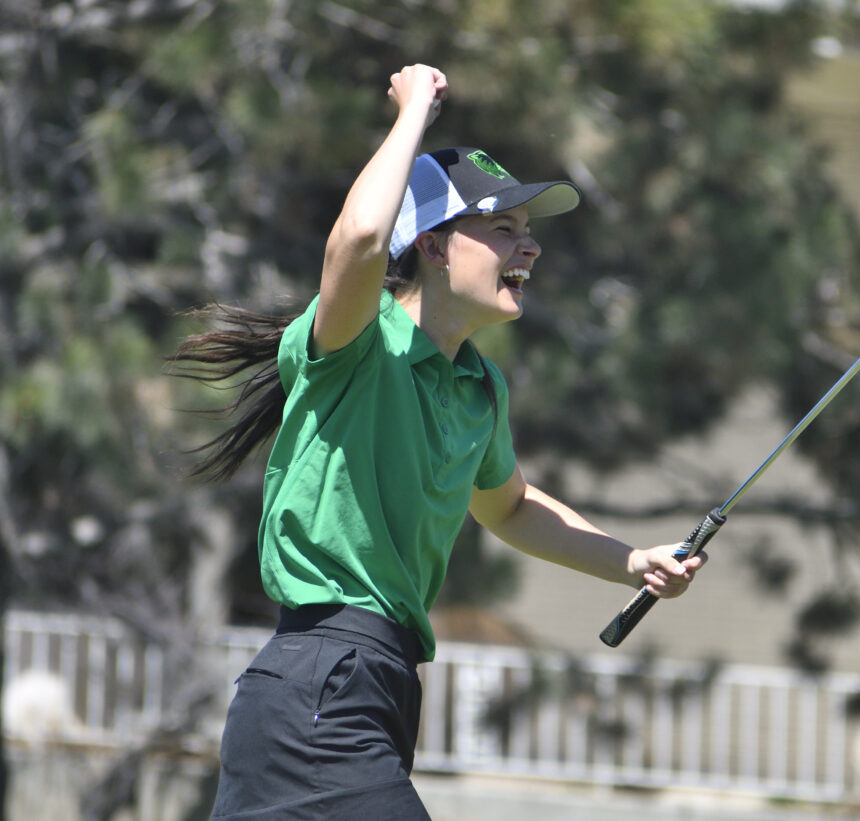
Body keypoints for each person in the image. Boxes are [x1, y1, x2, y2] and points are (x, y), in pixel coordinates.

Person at [169, 64, 707, 820]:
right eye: (502, 228)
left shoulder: (480, 389)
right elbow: (358, 236)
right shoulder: (356, 341)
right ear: (431, 245)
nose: (530, 249)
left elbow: (511, 508)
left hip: (379, 686)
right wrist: (415, 109)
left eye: (528, 233)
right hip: (321, 679)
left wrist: (631, 561)